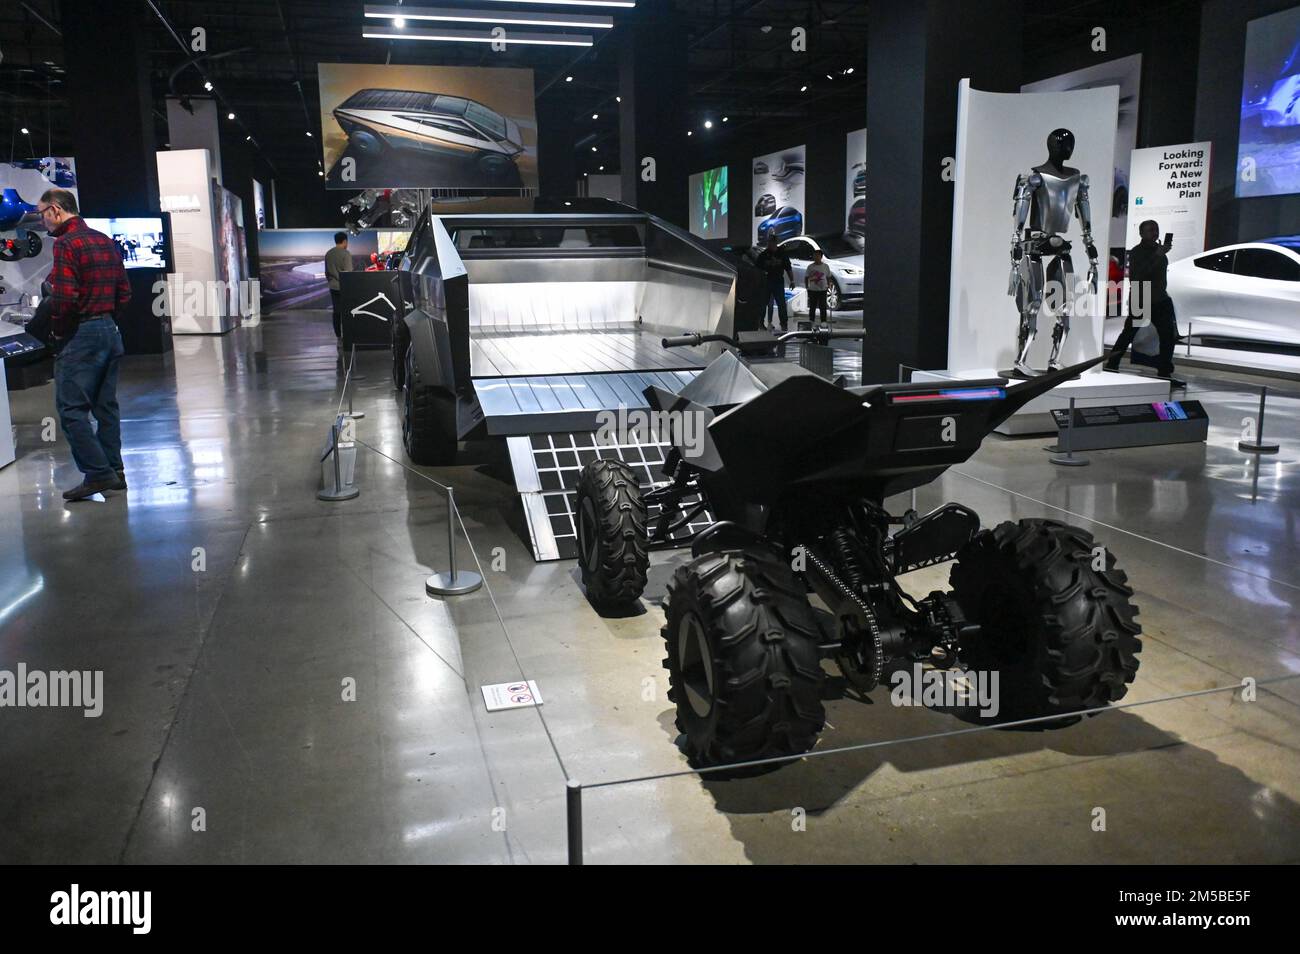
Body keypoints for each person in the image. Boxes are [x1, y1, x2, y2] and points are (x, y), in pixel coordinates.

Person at [38, 188, 132, 501]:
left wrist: (60, 333)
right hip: (109, 330)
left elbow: (64, 299)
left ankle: (97, 473)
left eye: (42, 214)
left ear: (54, 210)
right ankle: (115, 471)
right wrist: (106, 318)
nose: (43, 220)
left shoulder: (66, 244)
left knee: (72, 410)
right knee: (106, 407)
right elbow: (124, 292)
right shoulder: (104, 240)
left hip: (81, 334)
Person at [1105, 220, 1184, 388]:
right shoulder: (1137, 252)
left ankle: (1164, 371)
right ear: (1141, 233)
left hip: (1160, 299)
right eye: (1150, 230)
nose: (1154, 232)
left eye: (1156, 229)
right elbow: (1138, 276)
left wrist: (1160, 254)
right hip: (1142, 297)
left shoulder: (1159, 250)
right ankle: (1112, 364)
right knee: (1129, 333)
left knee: (1168, 336)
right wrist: (1158, 256)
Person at [755, 234, 794, 333]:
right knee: (763, 303)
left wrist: (792, 281)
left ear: (775, 243)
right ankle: (760, 323)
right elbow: (757, 269)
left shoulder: (782, 254)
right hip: (766, 281)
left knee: (781, 304)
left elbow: (788, 268)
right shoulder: (763, 255)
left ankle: (784, 324)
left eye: (772, 243)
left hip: (778, 282)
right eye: (769, 243)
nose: (770, 244)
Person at [324, 231, 353, 338]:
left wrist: (332, 281)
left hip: (333, 287)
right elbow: (348, 273)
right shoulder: (346, 254)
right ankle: (348, 334)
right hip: (344, 288)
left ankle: (338, 336)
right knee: (347, 311)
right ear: (345, 241)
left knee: (336, 312)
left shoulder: (328, 253)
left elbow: (326, 272)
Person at [805, 248, 832, 330]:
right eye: (814, 255)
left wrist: (829, 285)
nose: (816, 257)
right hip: (813, 290)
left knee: (823, 306)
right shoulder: (810, 267)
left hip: (822, 290)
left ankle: (823, 321)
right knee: (812, 306)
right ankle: (811, 321)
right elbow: (806, 277)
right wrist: (807, 287)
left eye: (818, 255)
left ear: (821, 256)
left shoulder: (825, 266)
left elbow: (828, 277)